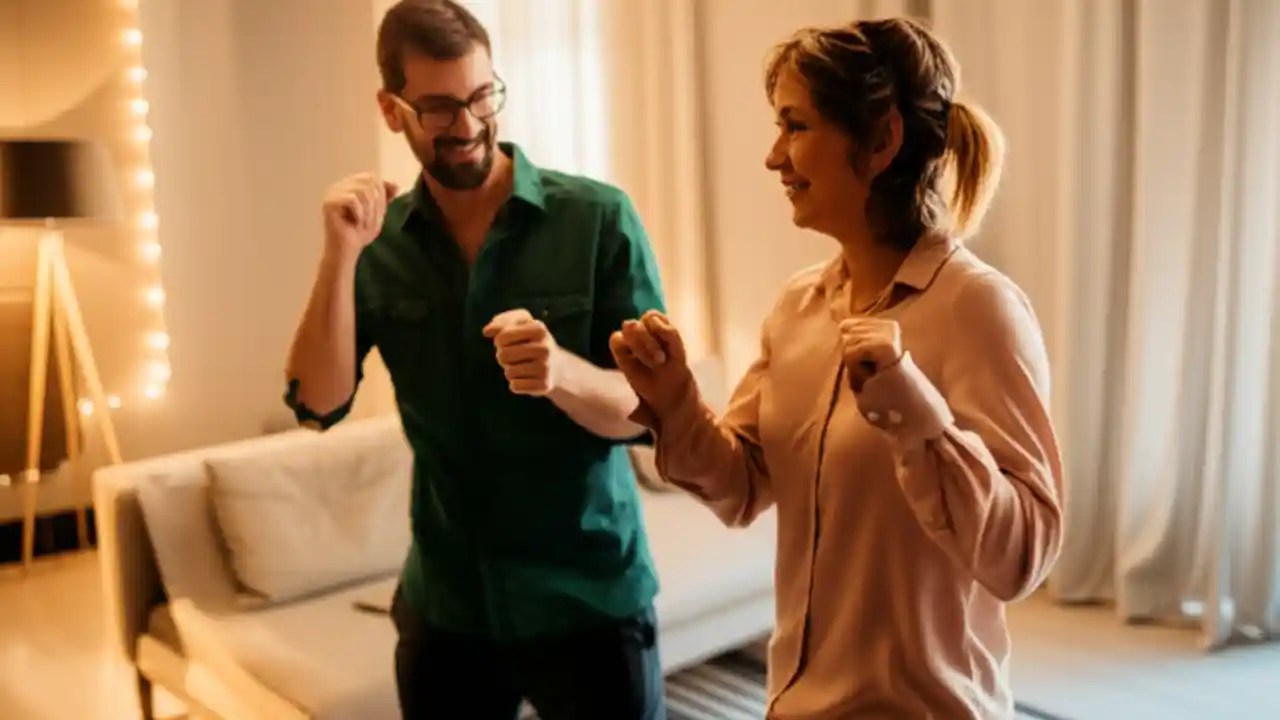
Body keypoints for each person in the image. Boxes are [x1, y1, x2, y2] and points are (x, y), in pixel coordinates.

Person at [610, 18, 1064, 720]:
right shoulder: (798, 305)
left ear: (880, 140)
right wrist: (675, 404)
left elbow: (1022, 556)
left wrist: (922, 422)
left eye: (795, 125)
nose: (773, 156)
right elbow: (741, 488)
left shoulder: (981, 309)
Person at [283, 1, 667, 717]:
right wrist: (338, 258)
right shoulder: (375, 244)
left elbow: (651, 410)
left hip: (590, 598)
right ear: (391, 108)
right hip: (449, 606)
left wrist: (562, 374)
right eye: (436, 108)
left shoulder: (598, 219)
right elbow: (318, 403)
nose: (466, 125)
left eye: (481, 97)